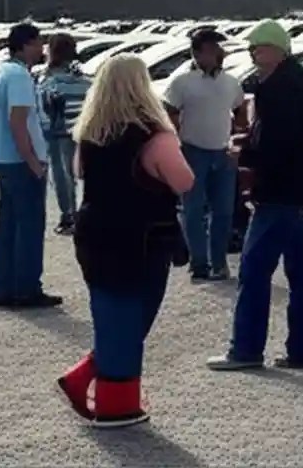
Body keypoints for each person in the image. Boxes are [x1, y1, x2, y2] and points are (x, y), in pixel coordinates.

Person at [57, 54, 194, 428]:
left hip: (95, 233)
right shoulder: (154, 135)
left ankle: (90, 383)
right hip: (142, 237)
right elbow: (184, 181)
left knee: (111, 314)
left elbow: (81, 175)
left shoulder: (89, 134)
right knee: (132, 320)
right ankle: (114, 403)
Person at [207, 20, 303, 371]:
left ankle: (244, 349)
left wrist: (242, 155)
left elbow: (279, 145)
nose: (253, 53)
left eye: (259, 47)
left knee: (254, 271)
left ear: (278, 49)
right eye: (252, 48)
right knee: (302, 276)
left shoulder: (277, 87)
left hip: (279, 195)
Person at [0, 23, 62, 309]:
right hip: (20, 160)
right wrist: (33, 162)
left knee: (7, 225)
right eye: (38, 43)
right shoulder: (19, 77)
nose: (42, 48)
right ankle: (27, 289)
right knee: (29, 226)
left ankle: (4, 288)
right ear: (25, 45)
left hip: (4, 157)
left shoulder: (3, 71)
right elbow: (18, 122)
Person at [163, 29, 246, 281]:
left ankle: (218, 262)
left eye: (219, 49)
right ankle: (199, 263)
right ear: (197, 53)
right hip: (193, 151)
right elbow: (169, 112)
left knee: (223, 211)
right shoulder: (182, 82)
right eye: (211, 49)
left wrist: (237, 139)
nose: (218, 54)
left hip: (223, 153)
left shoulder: (231, 82)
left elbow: (240, 111)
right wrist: (176, 142)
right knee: (193, 209)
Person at [39, 33, 92, 235]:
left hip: (57, 132)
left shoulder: (48, 79)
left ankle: (68, 216)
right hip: (80, 131)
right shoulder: (83, 79)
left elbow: (43, 108)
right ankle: (81, 212)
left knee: (61, 175)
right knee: (79, 174)